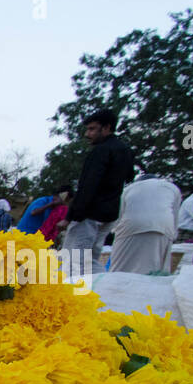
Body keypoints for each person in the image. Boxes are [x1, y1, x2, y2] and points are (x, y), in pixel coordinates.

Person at [60, 108, 135, 271]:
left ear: (107, 128)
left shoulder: (101, 150)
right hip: (109, 214)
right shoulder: (125, 150)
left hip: (89, 214)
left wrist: (71, 216)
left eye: (92, 129)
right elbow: (130, 176)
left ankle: (84, 290)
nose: (88, 134)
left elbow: (88, 185)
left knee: (73, 261)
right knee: (90, 260)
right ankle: (98, 289)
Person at [109, 173, 180, 274]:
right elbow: (175, 216)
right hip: (164, 226)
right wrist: (173, 235)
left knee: (121, 267)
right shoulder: (172, 188)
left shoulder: (129, 189)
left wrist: (114, 231)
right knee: (155, 266)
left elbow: (119, 215)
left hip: (132, 225)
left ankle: (118, 285)